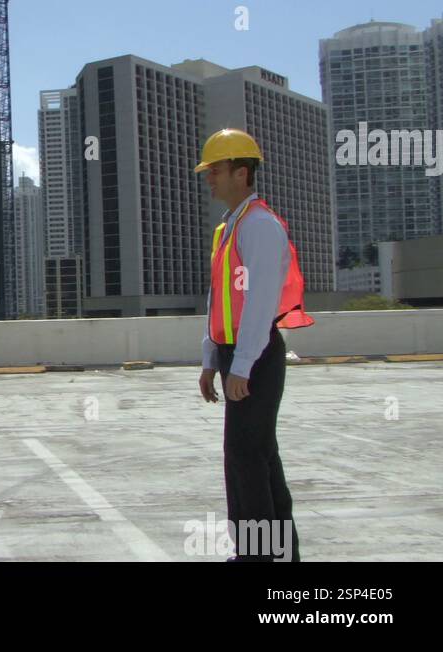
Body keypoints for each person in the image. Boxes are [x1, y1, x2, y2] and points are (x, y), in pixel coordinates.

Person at [195, 129, 314, 562]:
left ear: (241, 173)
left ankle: (260, 557)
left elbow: (261, 302)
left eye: (216, 171)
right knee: (256, 456)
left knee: (246, 458)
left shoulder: (259, 226)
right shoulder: (230, 227)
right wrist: (213, 359)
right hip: (238, 355)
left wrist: (242, 365)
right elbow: (220, 300)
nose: (209, 179)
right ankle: (276, 555)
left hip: (257, 355)